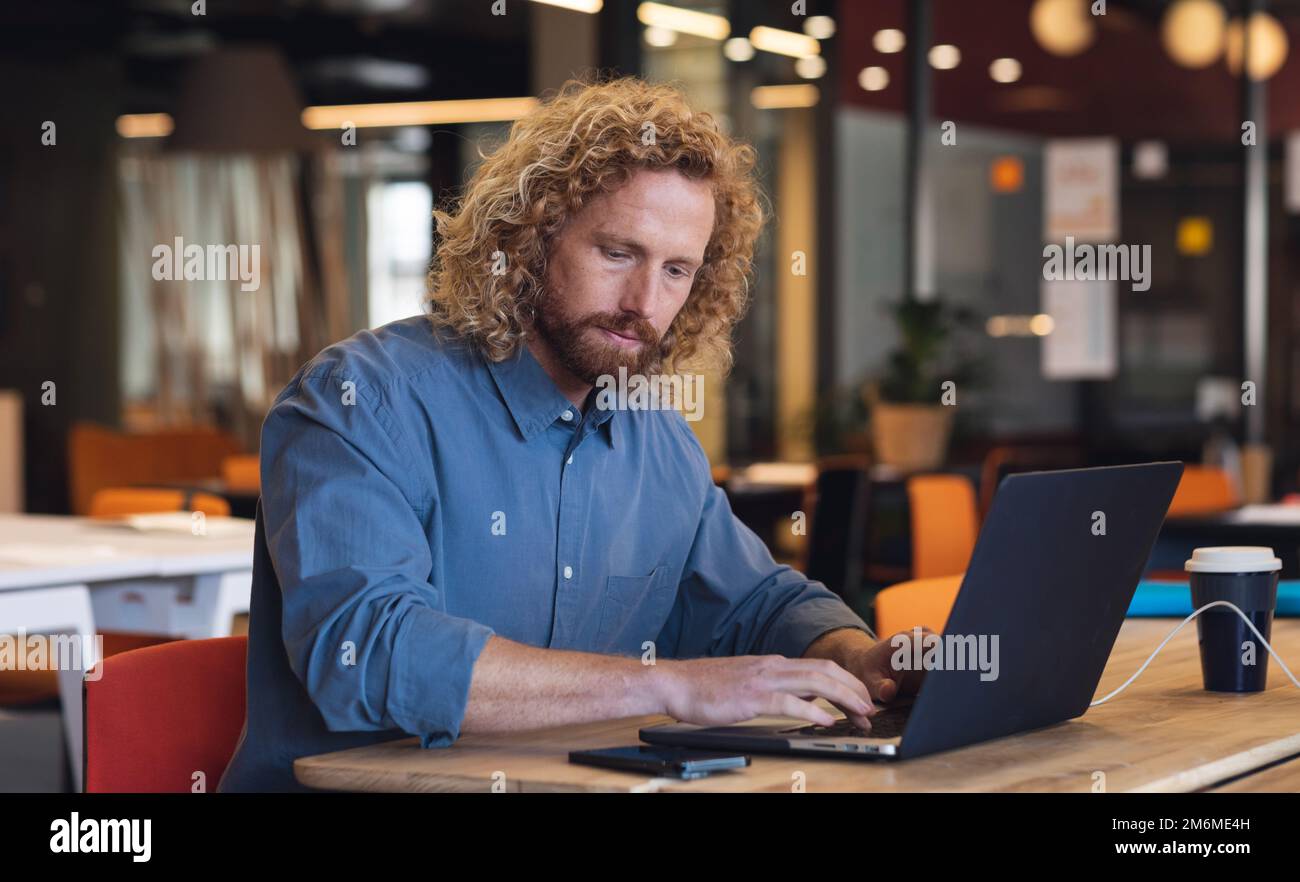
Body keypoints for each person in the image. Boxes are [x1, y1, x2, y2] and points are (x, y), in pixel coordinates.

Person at [220, 77, 923, 792]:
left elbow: (755, 603)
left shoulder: (657, 437)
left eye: (676, 270)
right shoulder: (360, 401)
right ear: (528, 238)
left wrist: (857, 658)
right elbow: (369, 653)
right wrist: (671, 687)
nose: (645, 303)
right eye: (618, 252)